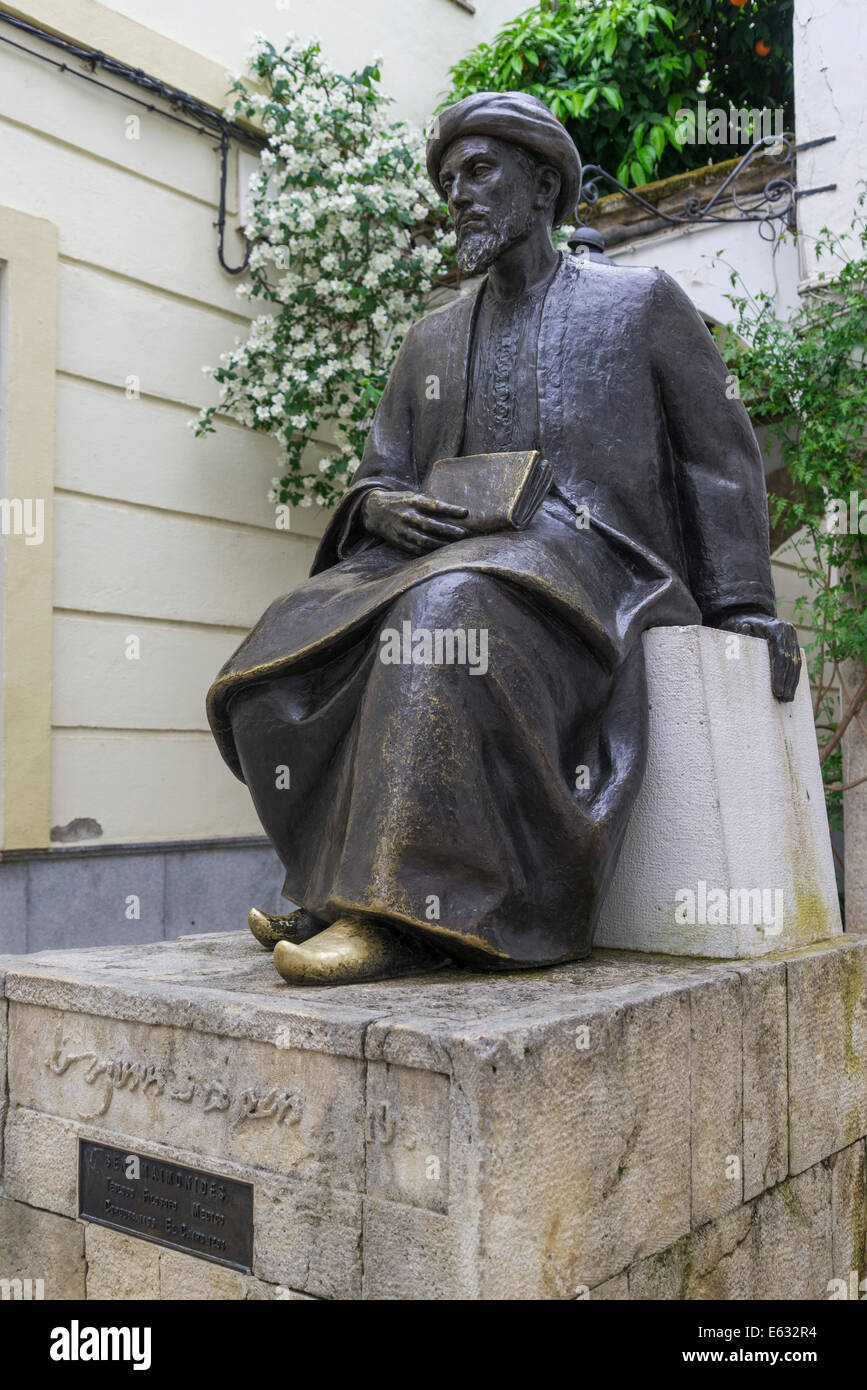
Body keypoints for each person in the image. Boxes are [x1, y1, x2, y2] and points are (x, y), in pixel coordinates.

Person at [207, 92, 801, 985]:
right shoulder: (431, 338)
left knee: (446, 614)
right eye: (448, 180)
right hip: (447, 553)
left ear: (542, 182)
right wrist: (377, 511)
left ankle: (396, 912)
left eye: (479, 171)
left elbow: (717, 459)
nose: (459, 194)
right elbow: (381, 470)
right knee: (280, 645)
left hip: (596, 559)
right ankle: (329, 881)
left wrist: (744, 605)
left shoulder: (637, 302)